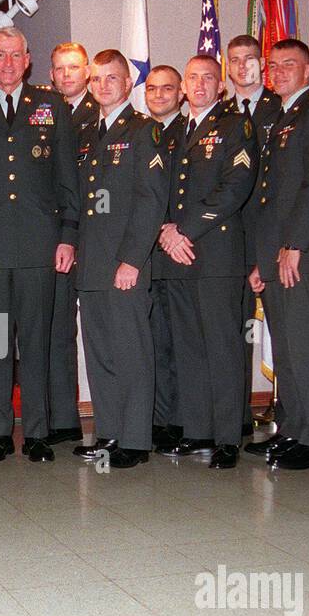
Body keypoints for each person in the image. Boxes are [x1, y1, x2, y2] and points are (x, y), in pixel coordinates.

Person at [0, 27, 80, 463]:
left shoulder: (51, 106)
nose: (7, 63)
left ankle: (38, 433)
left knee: (37, 341)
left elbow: (67, 179)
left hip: (40, 245)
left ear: (27, 60)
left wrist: (68, 235)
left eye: (15, 55)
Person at [243, 39, 309, 470]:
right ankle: (293, 430)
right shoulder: (281, 118)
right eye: (274, 65)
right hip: (278, 254)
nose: (280, 71)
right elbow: (270, 197)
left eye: (290, 64)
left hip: (305, 252)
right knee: (287, 349)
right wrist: (262, 258)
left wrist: (295, 245)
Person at [71, 50, 169, 468]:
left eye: (113, 78)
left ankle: (134, 439)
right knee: (101, 355)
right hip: (92, 264)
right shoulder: (88, 133)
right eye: (97, 79)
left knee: (132, 352)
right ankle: (109, 432)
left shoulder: (145, 131)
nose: (104, 85)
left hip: (124, 265)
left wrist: (132, 260)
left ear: (129, 84)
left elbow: (151, 202)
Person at [161, 55, 258, 469]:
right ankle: (196, 429)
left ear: (221, 87)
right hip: (175, 255)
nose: (199, 85)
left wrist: (183, 228)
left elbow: (234, 187)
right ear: (183, 86)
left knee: (222, 347)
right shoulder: (170, 132)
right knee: (189, 347)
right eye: (192, 78)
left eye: (208, 79)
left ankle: (226, 437)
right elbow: (154, 191)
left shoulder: (237, 126)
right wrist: (165, 231)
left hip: (215, 252)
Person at [225, 35, 283, 440]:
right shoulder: (222, 112)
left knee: (287, 333)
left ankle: (290, 421)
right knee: (235, 333)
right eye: (234, 59)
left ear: (261, 64)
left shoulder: (281, 107)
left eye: (249, 58)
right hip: (232, 241)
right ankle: (237, 417)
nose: (242, 65)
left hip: (275, 237)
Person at [45, 41, 96, 445]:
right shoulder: (41, 115)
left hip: (95, 239)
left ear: (88, 72)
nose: (67, 75)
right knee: (57, 329)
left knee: (99, 332)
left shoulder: (102, 116)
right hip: (58, 237)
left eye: (74, 67)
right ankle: (61, 418)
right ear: (50, 74)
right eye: (60, 69)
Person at [145, 64, 185, 452]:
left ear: (181, 93)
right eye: (152, 88)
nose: (158, 95)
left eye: (167, 89)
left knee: (178, 344)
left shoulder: (186, 133)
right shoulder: (144, 133)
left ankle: (177, 422)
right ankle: (160, 419)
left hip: (179, 253)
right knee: (156, 343)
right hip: (149, 256)